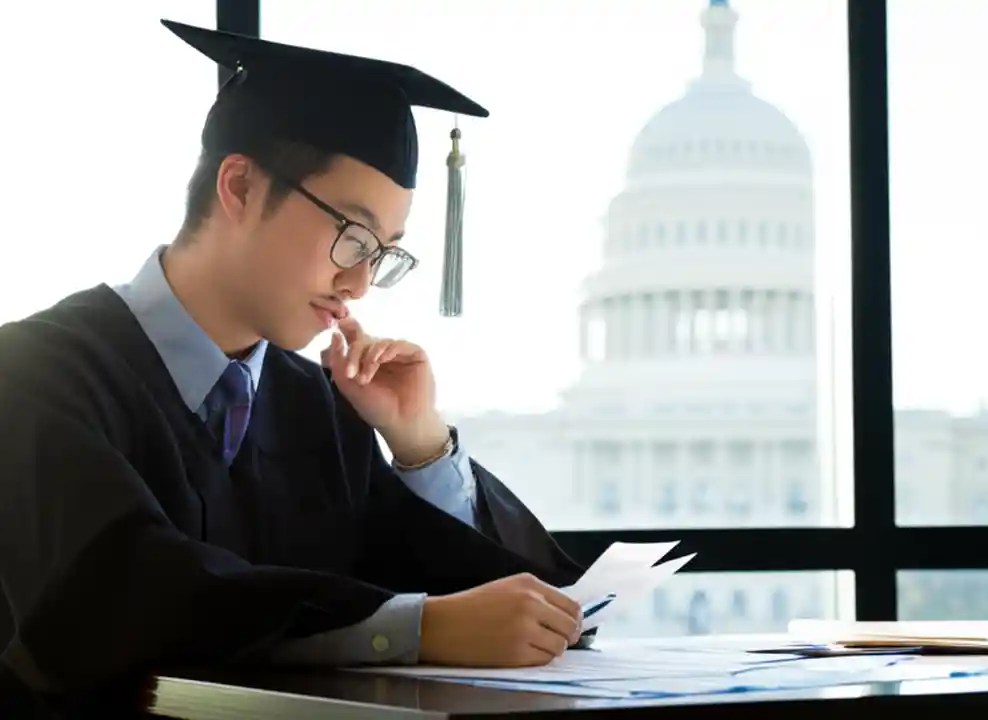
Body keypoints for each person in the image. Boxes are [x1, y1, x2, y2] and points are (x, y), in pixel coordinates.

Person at [0, 19, 591, 706]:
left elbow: (517, 605)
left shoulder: (320, 409)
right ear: (242, 188)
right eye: (352, 235)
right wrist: (415, 627)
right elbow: (121, 592)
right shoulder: (33, 376)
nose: (360, 283)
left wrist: (420, 443)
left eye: (385, 251)